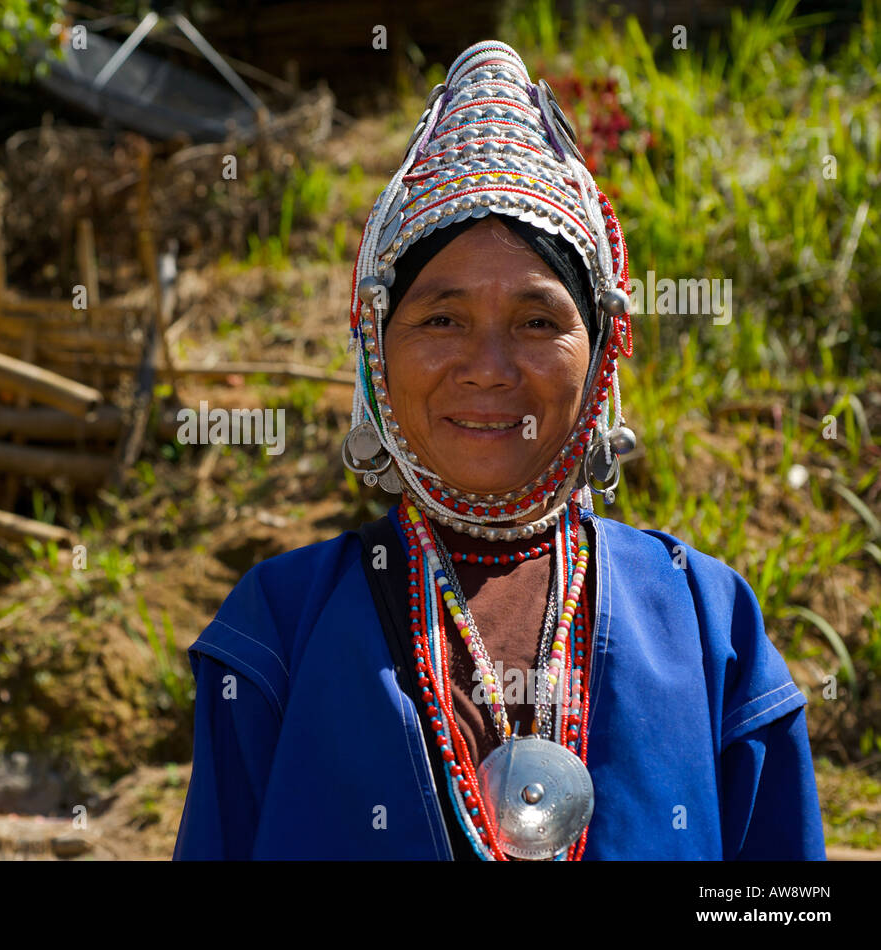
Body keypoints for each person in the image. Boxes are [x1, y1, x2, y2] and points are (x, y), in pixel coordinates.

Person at [171, 41, 826, 860]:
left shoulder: (707, 624)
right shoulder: (277, 631)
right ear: (377, 350)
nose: (488, 369)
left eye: (537, 321)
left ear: (603, 353)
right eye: (441, 319)